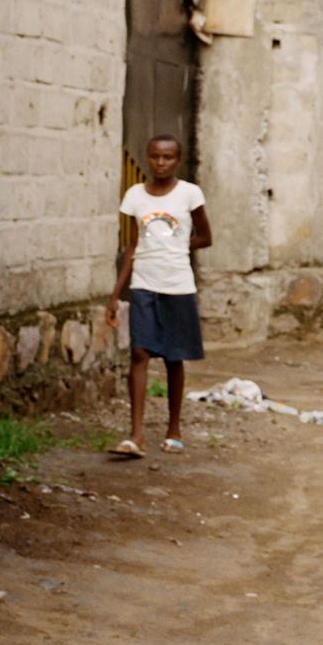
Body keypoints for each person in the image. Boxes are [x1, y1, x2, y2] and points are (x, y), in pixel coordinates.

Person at [106, 135, 211, 458]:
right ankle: (136, 435)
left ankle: (174, 430)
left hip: (177, 285)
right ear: (148, 158)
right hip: (143, 284)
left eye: (167, 157)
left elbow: (205, 237)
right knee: (139, 353)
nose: (160, 163)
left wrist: (177, 246)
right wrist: (114, 294)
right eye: (155, 157)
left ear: (177, 161)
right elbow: (133, 247)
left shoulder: (189, 194)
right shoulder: (135, 196)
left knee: (173, 356)